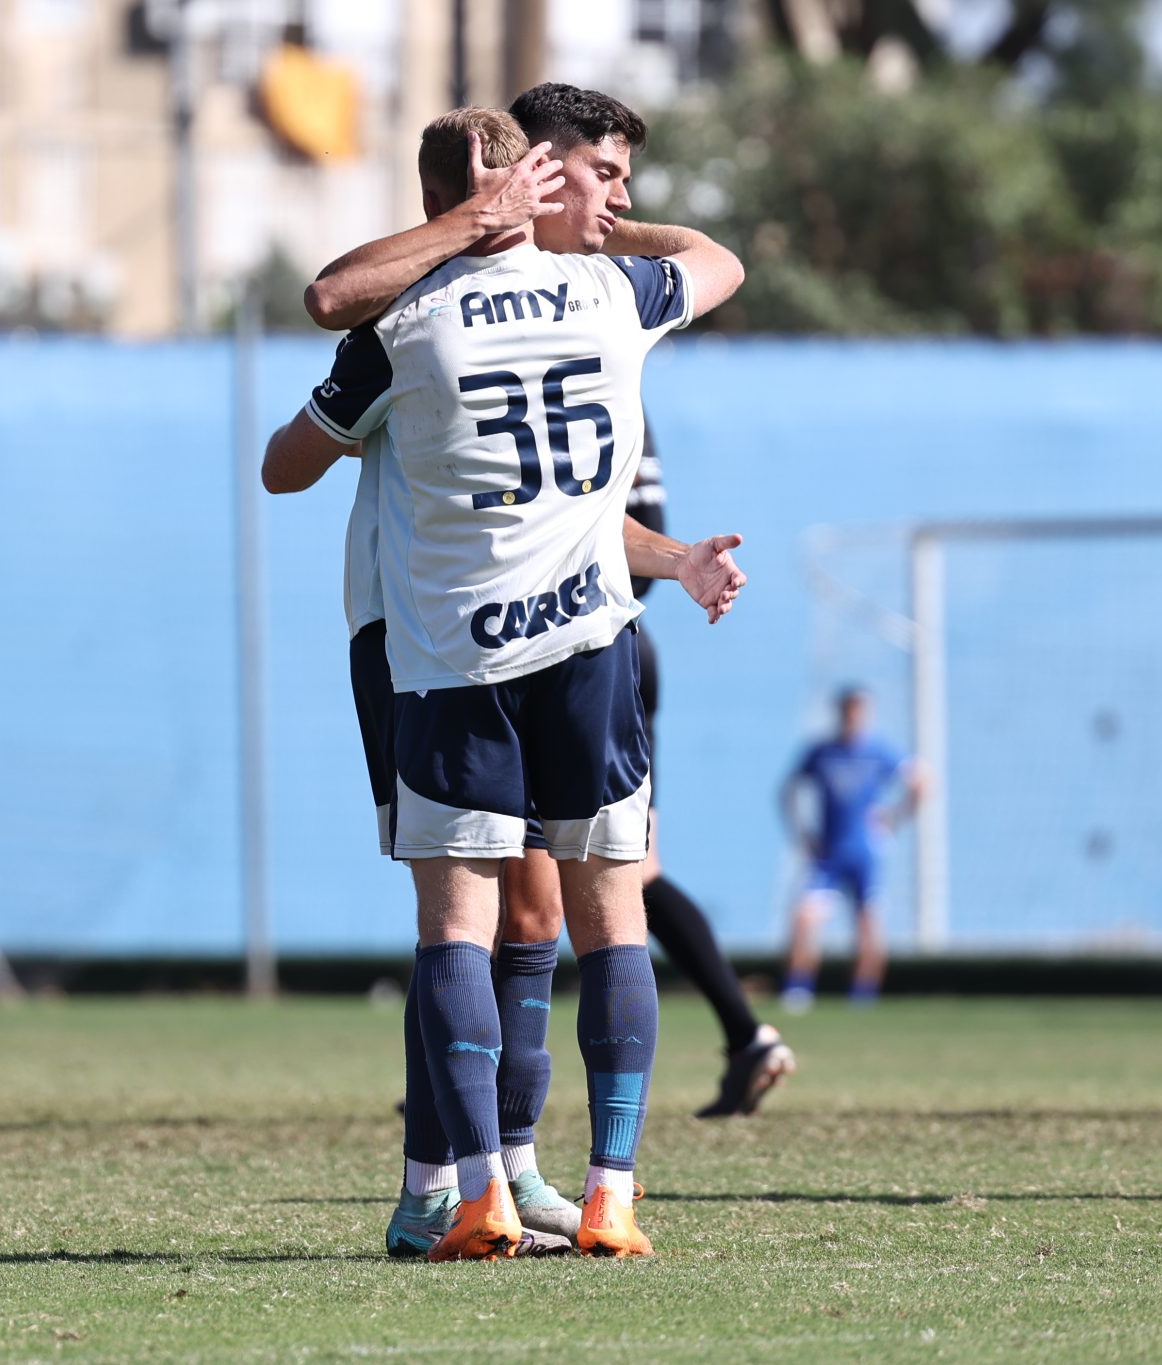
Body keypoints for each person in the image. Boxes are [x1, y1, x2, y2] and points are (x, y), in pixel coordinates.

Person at [263, 105, 744, 1258]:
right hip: (581, 648)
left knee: (472, 918)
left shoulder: (405, 325)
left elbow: (285, 459)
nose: (616, 199)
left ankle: (486, 1176)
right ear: (527, 181)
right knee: (592, 910)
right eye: (601, 178)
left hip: (448, 653)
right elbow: (714, 264)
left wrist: (667, 554)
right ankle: (567, 1186)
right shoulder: (606, 301)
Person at [625, 420, 795, 1118]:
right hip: (604, 650)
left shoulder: (593, 365)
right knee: (625, 870)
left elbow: (644, 534)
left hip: (589, 651)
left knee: (519, 866)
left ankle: (456, 1075)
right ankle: (745, 1033)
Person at [779, 687, 925, 1011]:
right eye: (849, 711)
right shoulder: (822, 752)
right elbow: (788, 791)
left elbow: (921, 782)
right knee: (804, 919)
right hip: (828, 854)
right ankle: (797, 991)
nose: (853, 717)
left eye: (859, 711)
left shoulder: (879, 752)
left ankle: (863, 996)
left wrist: (894, 818)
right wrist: (803, 833)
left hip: (865, 853)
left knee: (868, 924)